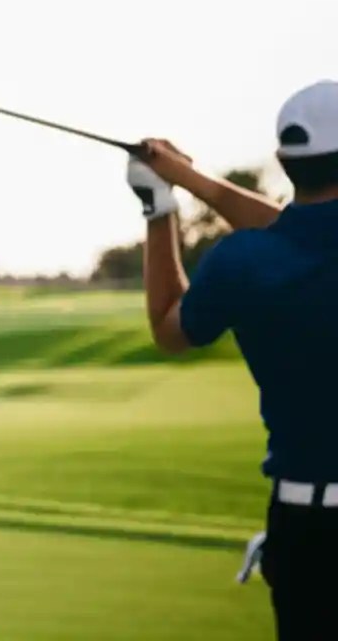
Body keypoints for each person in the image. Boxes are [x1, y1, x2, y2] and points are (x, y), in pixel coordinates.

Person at [126, 79, 338, 639]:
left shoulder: (246, 262)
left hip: (304, 530)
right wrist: (189, 179)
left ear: (284, 162)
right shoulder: (277, 246)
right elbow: (300, 229)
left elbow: (170, 327)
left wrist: (161, 203)